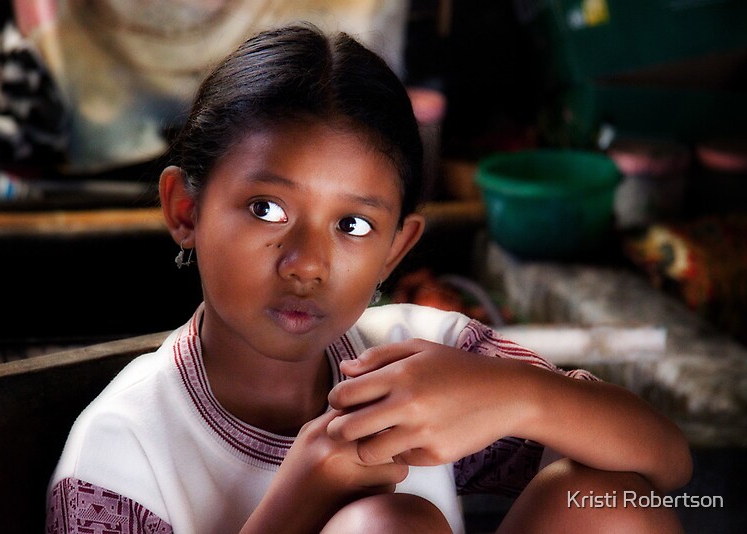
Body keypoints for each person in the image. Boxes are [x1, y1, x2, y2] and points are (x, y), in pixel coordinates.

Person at [45, 23, 692, 534]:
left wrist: (520, 396)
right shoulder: (118, 457)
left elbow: (668, 463)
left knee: (607, 506)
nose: (307, 262)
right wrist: (302, 496)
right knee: (385, 526)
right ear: (185, 210)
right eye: (266, 209)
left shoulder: (420, 363)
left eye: (352, 226)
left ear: (394, 249)